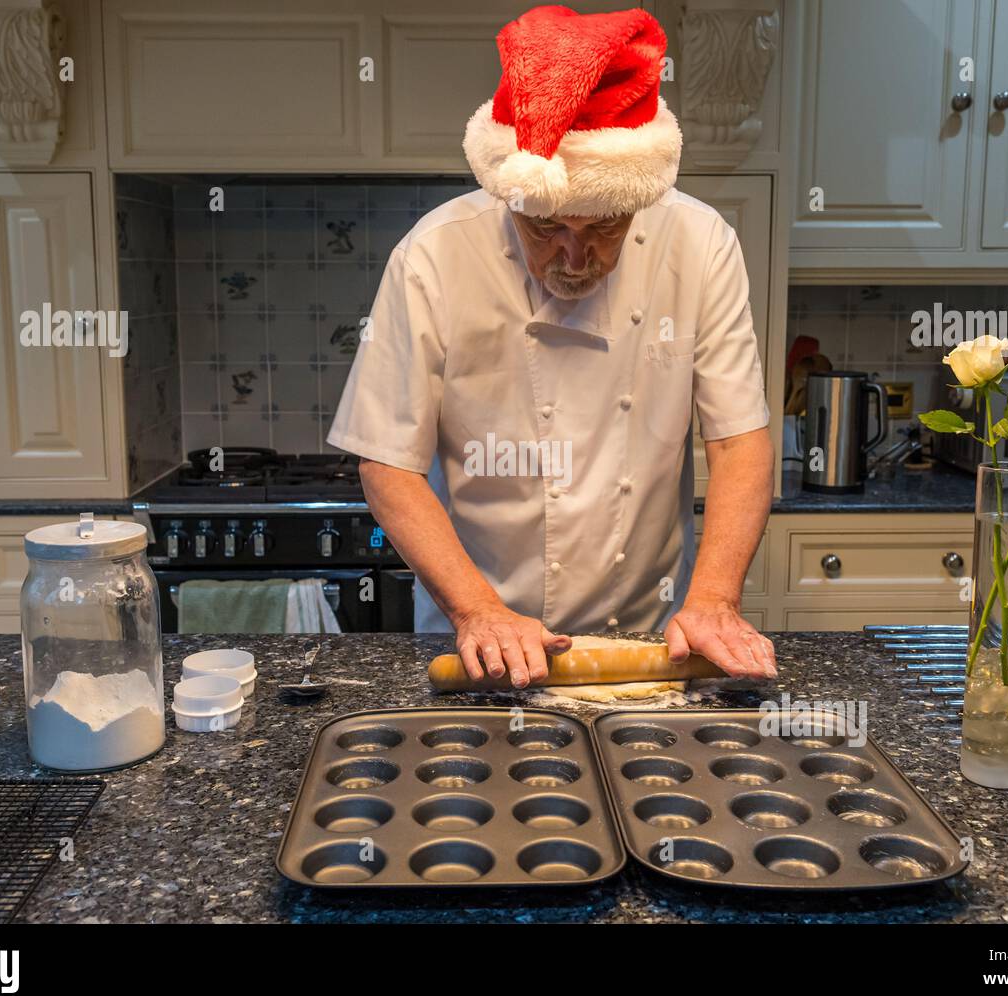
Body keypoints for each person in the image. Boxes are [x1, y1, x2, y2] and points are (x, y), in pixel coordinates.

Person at [328, 5, 776, 687]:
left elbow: (739, 441)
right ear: (511, 196)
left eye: (604, 227)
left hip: (643, 646)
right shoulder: (434, 257)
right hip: (478, 640)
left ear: (638, 196)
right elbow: (387, 463)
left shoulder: (701, 244)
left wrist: (714, 598)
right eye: (544, 228)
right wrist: (477, 608)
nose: (574, 256)